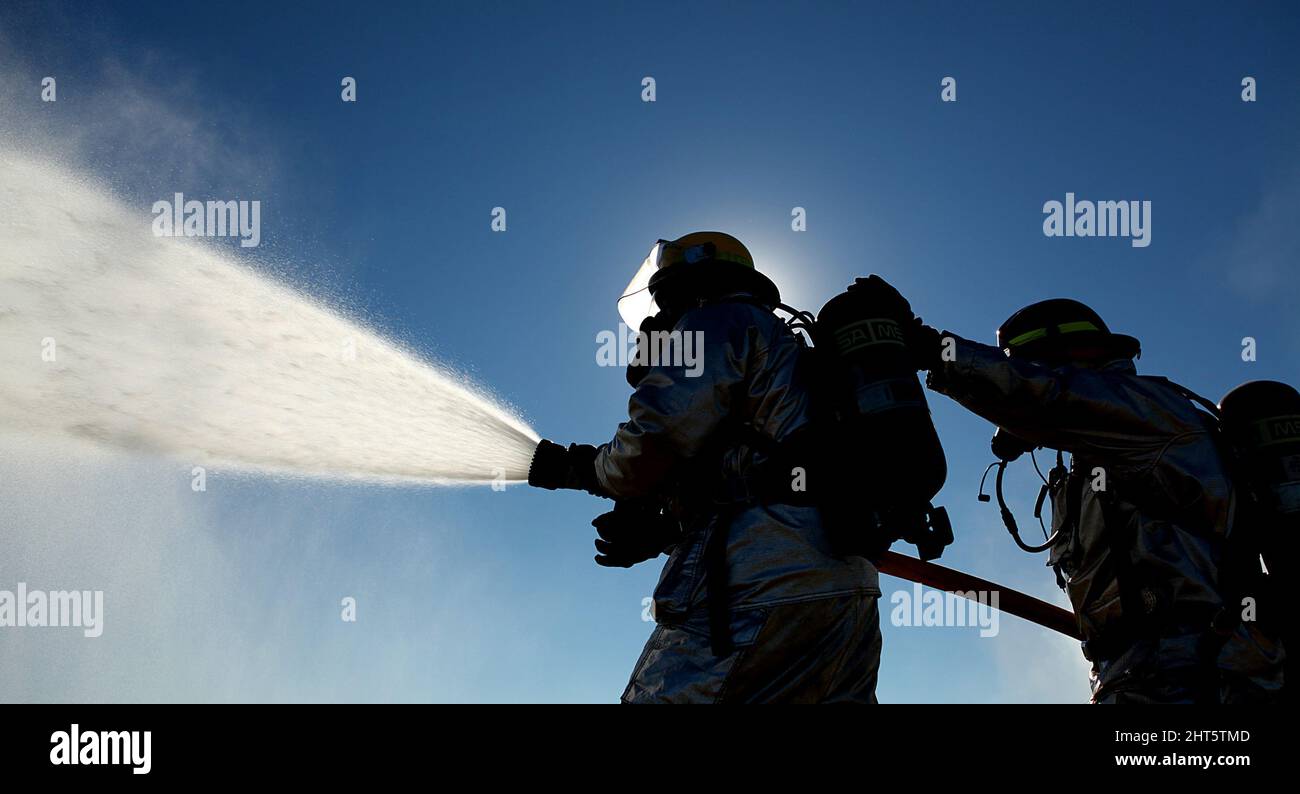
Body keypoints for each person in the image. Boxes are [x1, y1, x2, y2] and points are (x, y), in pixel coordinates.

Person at [528, 232, 881, 703]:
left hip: (758, 586)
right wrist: (666, 532)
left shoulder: (716, 320)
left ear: (683, 285)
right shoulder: (784, 346)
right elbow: (752, 471)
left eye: (662, 297)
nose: (657, 316)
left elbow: (654, 438)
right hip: (848, 594)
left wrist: (576, 468)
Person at [897, 290, 1284, 703]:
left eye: (1023, 366)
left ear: (1058, 360)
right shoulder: (1097, 459)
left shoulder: (1148, 413)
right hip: (1138, 677)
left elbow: (1053, 397)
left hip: (1204, 676)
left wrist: (935, 350)